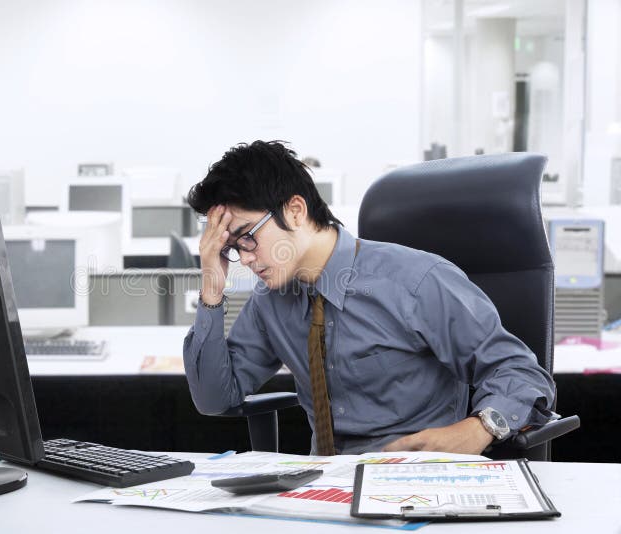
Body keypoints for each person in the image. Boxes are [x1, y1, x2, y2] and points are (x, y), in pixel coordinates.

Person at [182, 140, 555, 456]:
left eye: (248, 236)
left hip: (416, 486)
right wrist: (212, 288)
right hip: (324, 492)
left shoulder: (416, 281)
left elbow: (521, 373)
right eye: (232, 248)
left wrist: (477, 429)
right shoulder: (271, 301)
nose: (245, 258)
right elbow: (215, 398)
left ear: (295, 211)